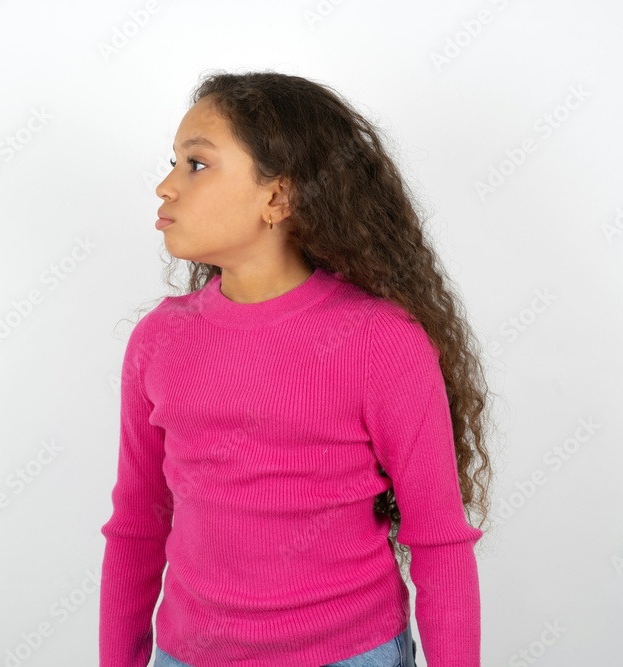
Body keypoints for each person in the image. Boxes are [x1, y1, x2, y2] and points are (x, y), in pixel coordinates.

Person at [100, 70, 493, 667]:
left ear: (278, 198)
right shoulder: (161, 340)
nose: (166, 186)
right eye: (174, 163)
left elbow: (439, 542)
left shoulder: (380, 342)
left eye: (196, 165)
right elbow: (136, 527)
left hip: (350, 654)